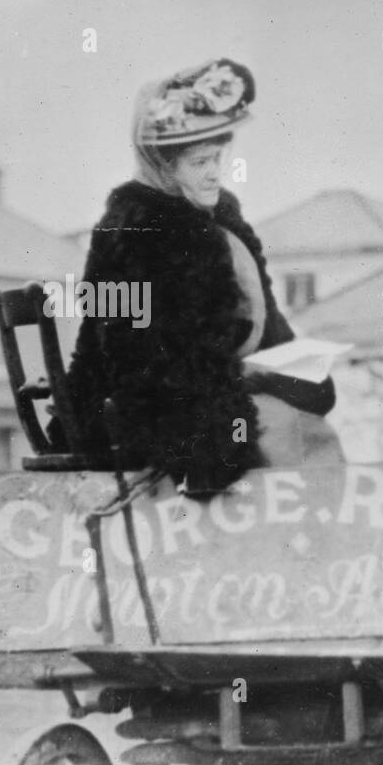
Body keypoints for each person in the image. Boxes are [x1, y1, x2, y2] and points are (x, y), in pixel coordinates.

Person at [61, 58, 340, 498]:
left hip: (221, 385)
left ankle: (317, 532)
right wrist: (242, 381)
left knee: (306, 422)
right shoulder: (130, 230)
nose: (214, 172)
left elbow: (262, 312)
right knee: (287, 430)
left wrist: (290, 365)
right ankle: (293, 538)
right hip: (159, 403)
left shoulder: (219, 217)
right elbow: (127, 350)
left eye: (217, 158)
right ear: (164, 164)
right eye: (199, 162)